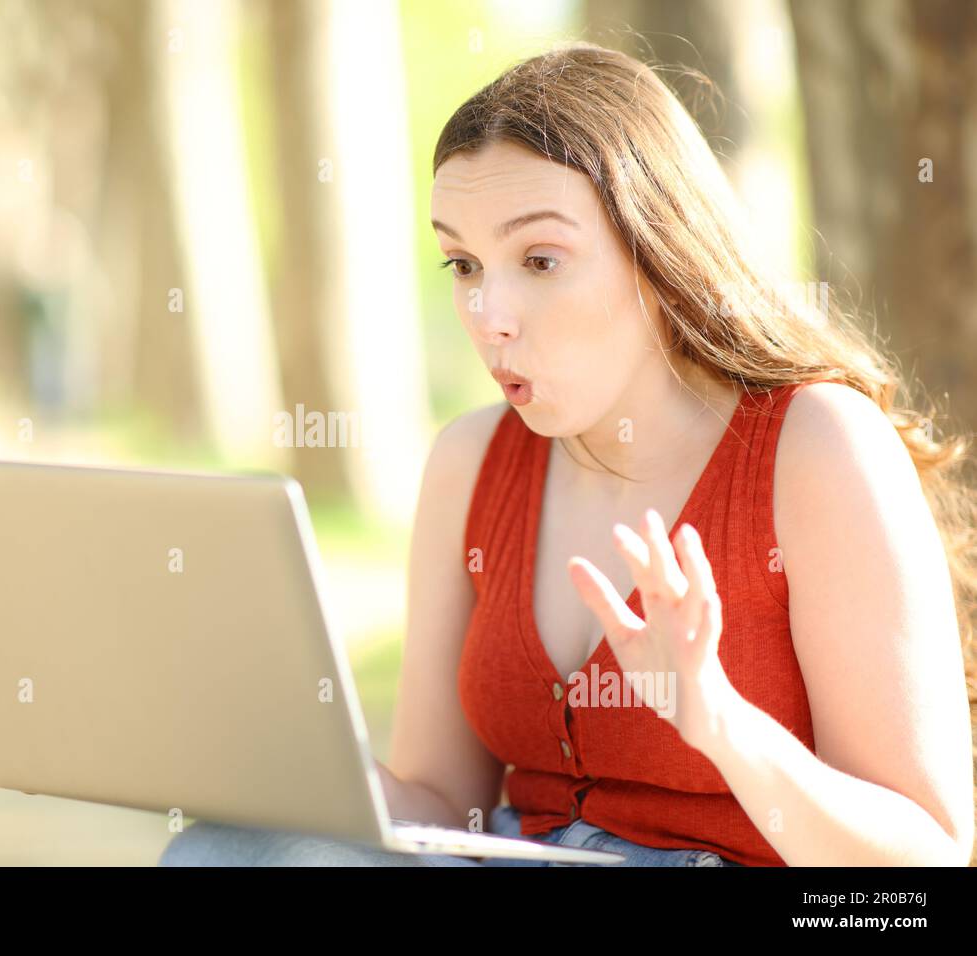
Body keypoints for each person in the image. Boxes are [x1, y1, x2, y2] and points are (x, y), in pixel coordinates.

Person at [160, 41, 977, 867]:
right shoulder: (470, 462)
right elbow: (443, 802)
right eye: (464, 263)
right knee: (226, 849)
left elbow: (925, 862)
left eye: (540, 261)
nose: (488, 313)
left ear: (660, 257)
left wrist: (722, 724)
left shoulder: (820, 447)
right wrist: (285, 769)